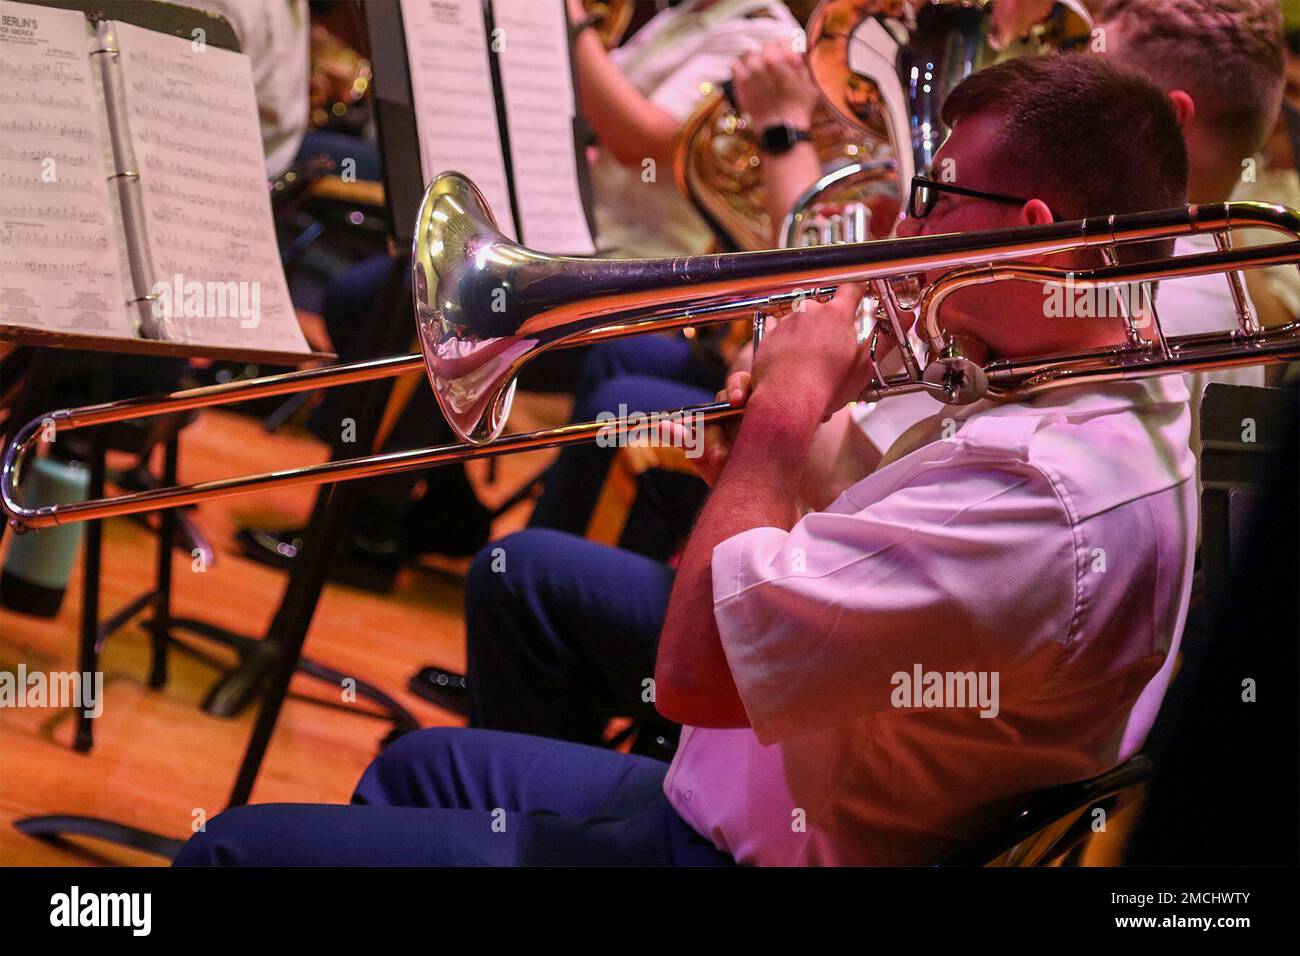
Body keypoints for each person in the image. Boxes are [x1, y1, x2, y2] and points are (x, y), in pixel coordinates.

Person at [176, 52, 1199, 866]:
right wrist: (779, 448)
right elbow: (878, 525)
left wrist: (782, 414)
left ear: (1038, 240)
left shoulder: (1046, 495)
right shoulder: (1116, 374)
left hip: (735, 845)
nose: (906, 224)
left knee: (228, 849)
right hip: (755, 788)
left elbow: (692, 674)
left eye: (937, 195)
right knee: (419, 765)